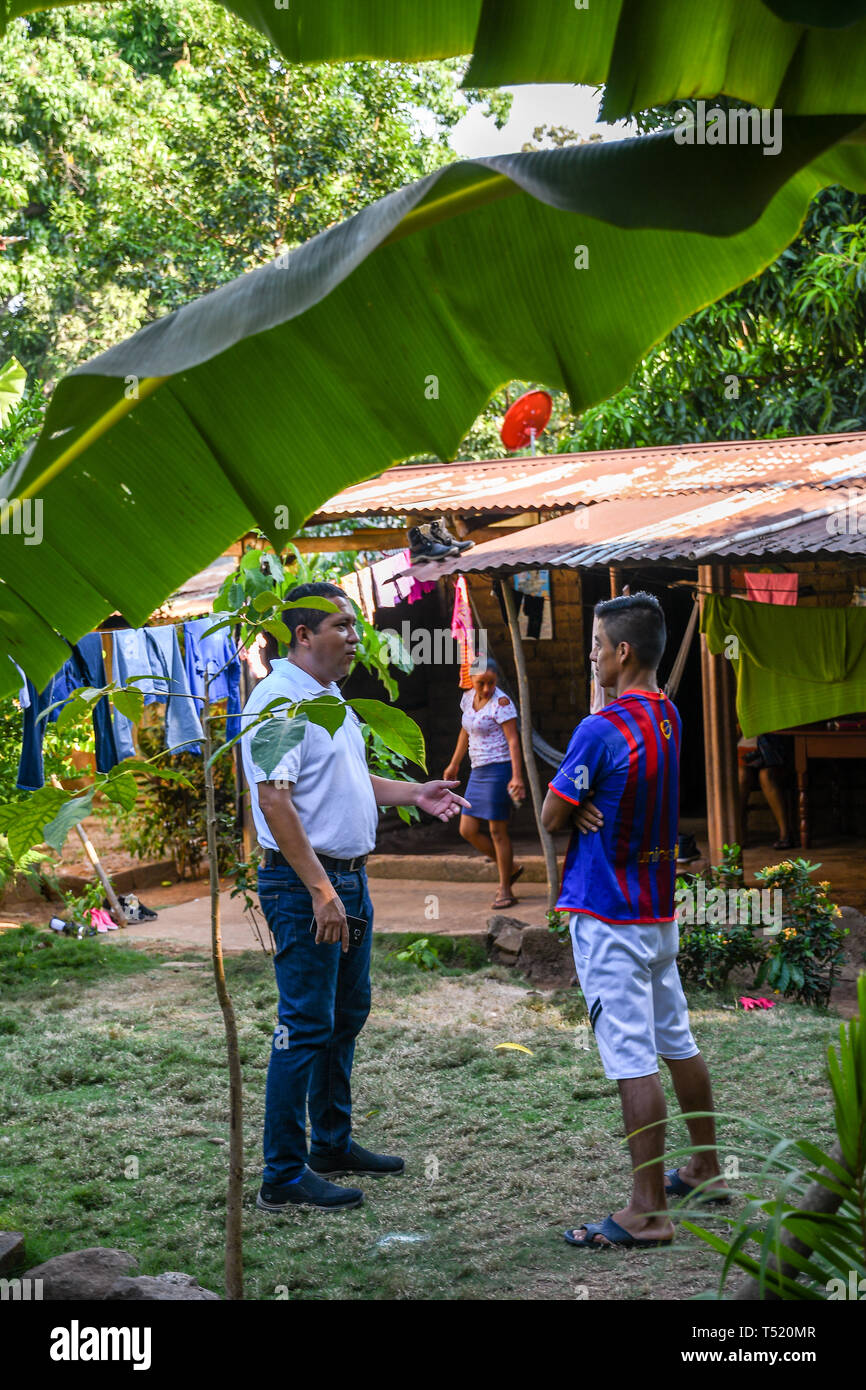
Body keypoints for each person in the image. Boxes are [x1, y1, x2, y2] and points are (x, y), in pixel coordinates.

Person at [241, 581, 468, 1213]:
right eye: (341, 625)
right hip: (306, 886)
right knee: (304, 1026)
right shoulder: (279, 701)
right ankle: (282, 1176)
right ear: (303, 636)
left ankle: (331, 1144)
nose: (353, 637)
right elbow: (274, 799)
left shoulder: (328, 696)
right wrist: (319, 889)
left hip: (349, 879)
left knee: (345, 1016)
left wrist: (412, 792)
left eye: (355, 625)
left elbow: (342, 778)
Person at [541, 592, 728, 1249]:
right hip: (655, 910)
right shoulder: (669, 717)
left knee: (631, 1060)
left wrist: (581, 802)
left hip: (609, 914)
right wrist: (591, 799)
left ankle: (647, 1212)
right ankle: (705, 1164)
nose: (591, 656)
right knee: (676, 1039)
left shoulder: (600, 730)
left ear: (622, 653)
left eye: (595, 646)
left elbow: (549, 815)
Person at [443, 656, 526, 910]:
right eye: (481, 684)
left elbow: (513, 741)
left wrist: (516, 776)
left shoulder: (502, 703)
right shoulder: (468, 698)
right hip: (478, 770)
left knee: (496, 831)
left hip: (499, 769)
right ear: (472, 681)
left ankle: (505, 888)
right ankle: (510, 868)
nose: (487, 689)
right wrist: (454, 763)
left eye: (491, 682)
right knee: (467, 829)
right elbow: (464, 731)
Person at [738, 731, 794, 849]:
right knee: (742, 776)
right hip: (746, 745)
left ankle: (785, 833)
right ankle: (739, 828)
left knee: (766, 776)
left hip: (772, 744)